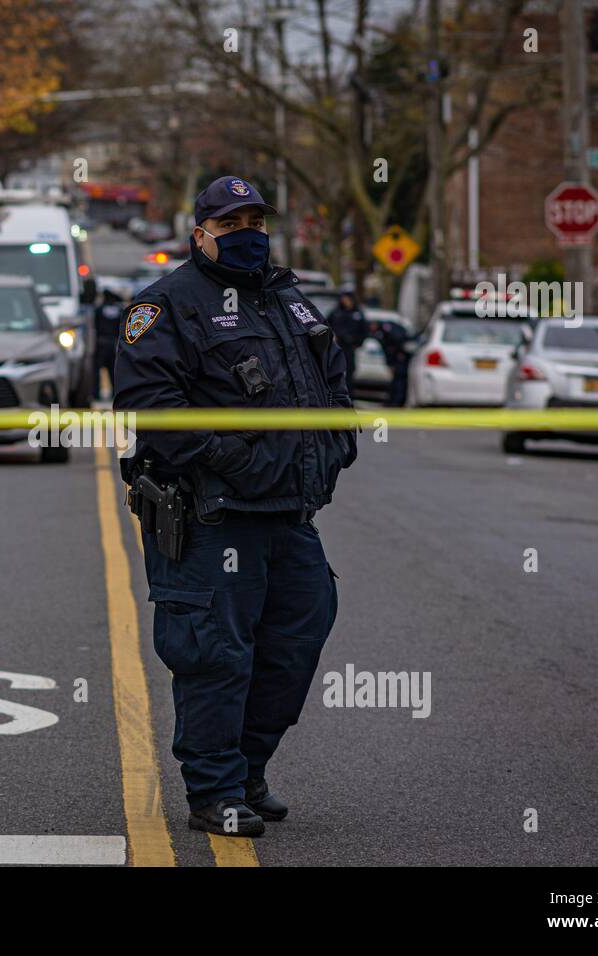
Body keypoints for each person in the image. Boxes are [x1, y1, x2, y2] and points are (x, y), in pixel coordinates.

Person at [113, 175, 357, 838]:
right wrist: (238, 461)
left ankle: (248, 771)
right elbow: (149, 410)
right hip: (212, 517)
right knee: (215, 654)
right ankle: (214, 790)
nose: (247, 233)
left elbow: (332, 381)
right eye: (230, 224)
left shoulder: (288, 299)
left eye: (255, 220)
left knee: (296, 640)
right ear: (200, 235)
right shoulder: (167, 306)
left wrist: (338, 443)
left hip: (290, 513)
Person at [368, 317, 410, 407]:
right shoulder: (379, 332)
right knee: (394, 381)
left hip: (400, 357)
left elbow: (397, 339)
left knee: (399, 381)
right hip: (395, 359)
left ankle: (397, 402)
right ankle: (392, 402)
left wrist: (398, 354)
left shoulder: (386, 328)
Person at [327, 291, 368, 385]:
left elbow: (364, 330)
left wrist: (358, 343)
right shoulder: (336, 312)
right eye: (344, 298)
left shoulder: (358, 313)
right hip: (337, 345)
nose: (345, 301)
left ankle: (349, 395)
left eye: (347, 299)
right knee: (334, 369)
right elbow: (326, 325)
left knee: (350, 371)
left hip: (350, 346)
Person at [92, 288, 124, 400]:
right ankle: (115, 393)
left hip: (101, 343)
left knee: (96, 370)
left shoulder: (99, 309)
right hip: (114, 344)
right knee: (114, 370)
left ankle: (95, 394)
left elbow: (94, 326)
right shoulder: (119, 310)